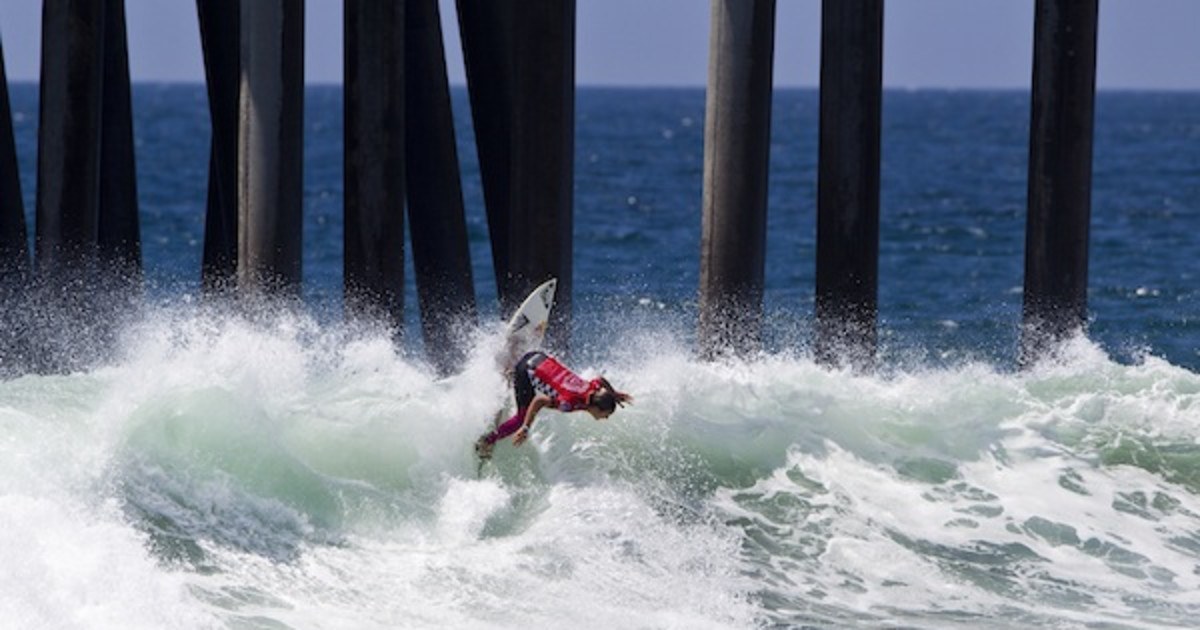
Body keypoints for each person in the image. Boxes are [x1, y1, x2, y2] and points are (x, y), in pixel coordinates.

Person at [475, 350, 632, 460]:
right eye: (606, 415)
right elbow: (539, 401)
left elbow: (600, 379)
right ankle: (487, 441)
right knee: (521, 418)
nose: (605, 418)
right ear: (597, 408)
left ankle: (513, 369)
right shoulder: (570, 403)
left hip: (538, 356)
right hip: (526, 371)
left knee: (544, 383)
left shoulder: (593, 389)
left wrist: (614, 394)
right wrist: (526, 428)